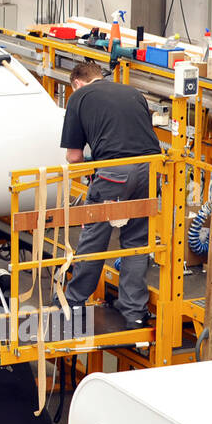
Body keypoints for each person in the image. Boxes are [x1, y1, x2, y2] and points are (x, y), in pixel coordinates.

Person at [60, 61, 162, 327]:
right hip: (152, 171)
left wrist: (92, 173)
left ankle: (72, 304)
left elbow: (73, 156)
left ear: (77, 83)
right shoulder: (133, 92)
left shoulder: (79, 97)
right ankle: (134, 313)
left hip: (114, 174)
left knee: (94, 237)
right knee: (137, 242)